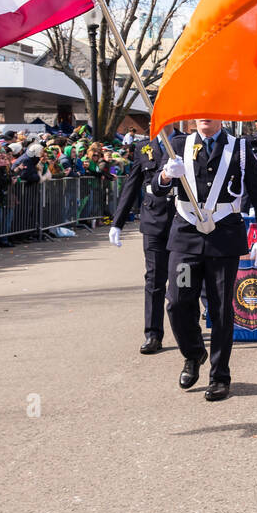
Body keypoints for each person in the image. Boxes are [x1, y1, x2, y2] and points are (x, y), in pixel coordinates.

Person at [156, 118, 257, 402]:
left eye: (210, 109)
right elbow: (156, 189)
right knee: (178, 300)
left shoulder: (240, 148)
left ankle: (220, 376)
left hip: (224, 238)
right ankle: (194, 353)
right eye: (199, 109)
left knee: (221, 309)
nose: (204, 115)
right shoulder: (177, 145)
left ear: (221, 115)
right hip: (186, 238)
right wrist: (164, 176)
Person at [109, 134, 175, 355]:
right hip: (154, 220)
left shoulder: (185, 142)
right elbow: (132, 184)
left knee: (184, 281)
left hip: (181, 221)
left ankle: (188, 327)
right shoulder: (143, 147)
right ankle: (153, 334)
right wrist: (117, 222)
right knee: (154, 279)